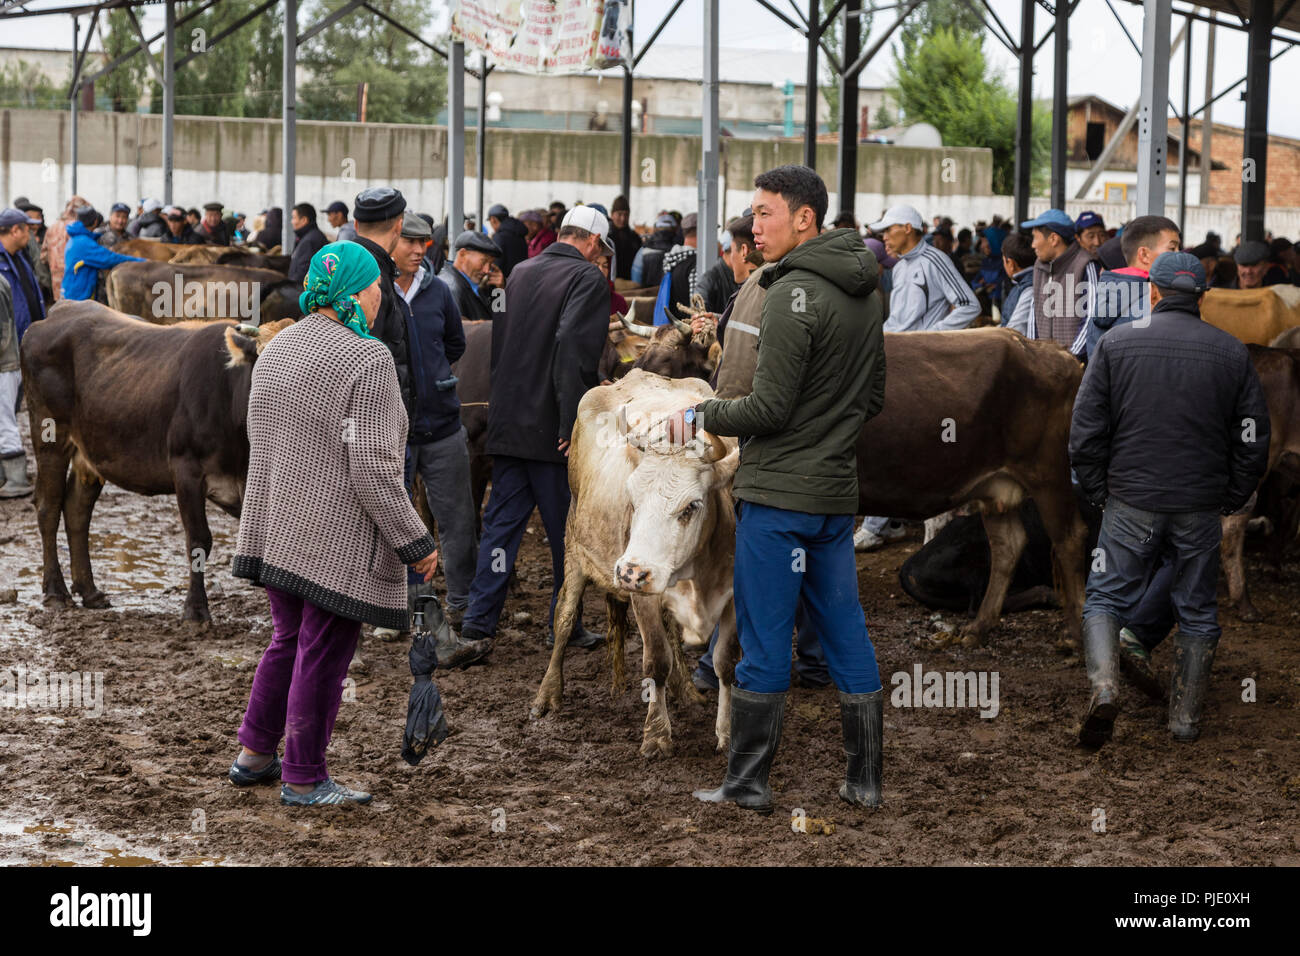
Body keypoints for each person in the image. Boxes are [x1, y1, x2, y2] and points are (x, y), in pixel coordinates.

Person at [667, 164, 885, 813]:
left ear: (804, 218)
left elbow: (768, 410)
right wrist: (829, 434)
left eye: (764, 213)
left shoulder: (791, 291)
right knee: (847, 632)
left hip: (779, 502)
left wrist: (698, 414)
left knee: (764, 639)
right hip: (832, 500)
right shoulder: (867, 293)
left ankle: (747, 781)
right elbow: (872, 398)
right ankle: (864, 780)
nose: (753, 227)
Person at [230, 241, 438, 806]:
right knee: (322, 653)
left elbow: (260, 438)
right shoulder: (365, 359)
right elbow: (372, 466)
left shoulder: (278, 347)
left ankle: (254, 753)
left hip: (276, 529)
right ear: (352, 289)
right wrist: (414, 540)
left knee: (287, 639)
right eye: (374, 285)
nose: (379, 297)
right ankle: (303, 777)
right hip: (335, 542)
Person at [1069, 251, 1269, 749]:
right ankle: (1183, 721)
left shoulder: (1115, 344)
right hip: (1200, 504)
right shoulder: (1231, 352)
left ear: (1152, 292)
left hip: (1131, 499)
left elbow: (1086, 430)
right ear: (1202, 296)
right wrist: (1234, 493)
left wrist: (1098, 490)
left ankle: (1106, 687)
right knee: (1198, 610)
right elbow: (1252, 436)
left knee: (1105, 599)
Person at [458, 206, 614, 653]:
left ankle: (478, 623)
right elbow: (571, 348)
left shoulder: (519, 274)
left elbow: (504, 347)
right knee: (567, 533)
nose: (598, 258)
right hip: (553, 434)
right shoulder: (587, 280)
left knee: (501, 529)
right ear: (590, 242)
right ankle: (563, 625)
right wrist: (572, 421)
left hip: (507, 426)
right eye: (600, 250)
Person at [692, 211, 832, 694]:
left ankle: (722, 666)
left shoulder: (761, 291)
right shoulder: (833, 288)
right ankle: (815, 663)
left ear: (744, 251)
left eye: (732, 248)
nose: (729, 256)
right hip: (825, 464)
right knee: (813, 566)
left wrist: (707, 417)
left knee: (753, 562)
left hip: (768, 452)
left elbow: (738, 383)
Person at [387, 213, 489, 665]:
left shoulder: (439, 293)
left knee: (457, 519)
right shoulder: (375, 293)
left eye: (424, 242)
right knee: (397, 522)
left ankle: (462, 605)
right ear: (392, 242)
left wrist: (433, 384)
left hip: (443, 425)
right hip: (394, 429)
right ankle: (400, 611)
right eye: (409, 241)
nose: (418, 249)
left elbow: (454, 345)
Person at [855, 203, 977, 552]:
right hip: (895, 356)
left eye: (888, 231)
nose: (884, 238)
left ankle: (884, 524)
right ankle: (882, 521)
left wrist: (931, 338)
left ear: (907, 228)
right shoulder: (902, 266)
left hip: (919, 364)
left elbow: (969, 304)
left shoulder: (934, 260)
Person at [351, 187, 416, 421]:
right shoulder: (373, 280)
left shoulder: (341, 270)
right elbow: (367, 367)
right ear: (399, 226)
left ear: (356, 225)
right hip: (376, 424)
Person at [1080, 215, 1180, 359]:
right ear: (1144, 254)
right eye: (1172, 248)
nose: (1179, 255)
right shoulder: (1155, 303)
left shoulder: (1103, 298)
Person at [1021, 208, 1100, 357]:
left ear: (1053, 239)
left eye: (1035, 238)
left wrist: (1070, 358)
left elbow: (1092, 317)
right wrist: (1034, 354)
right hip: (1045, 363)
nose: (1033, 245)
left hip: (1075, 366)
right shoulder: (1039, 266)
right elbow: (1034, 312)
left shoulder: (1085, 265)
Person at [60, 206, 145, 302]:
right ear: (95, 221)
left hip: (74, 292)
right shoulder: (84, 243)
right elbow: (110, 259)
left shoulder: (77, 238)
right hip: (78, 297)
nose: (121, 221)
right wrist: (142, 262)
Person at [438, 230, 500, 322]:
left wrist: (499, 290)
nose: (487, 270)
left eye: (490, 264)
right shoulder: (451, 288)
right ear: (462, 254)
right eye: (483, 262)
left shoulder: (474, 283)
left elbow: (500, 318)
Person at [42, 195, 88, 302]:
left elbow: (43, 256)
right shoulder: (77, 228)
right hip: (74, 277)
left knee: (60, 310)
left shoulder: (52, 227)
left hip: (56, 279)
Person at [999, 231, 1036, 335]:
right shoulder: (1022, 284)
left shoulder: (1029, 288)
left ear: (1011, 264)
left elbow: (1015, 331)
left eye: (1004, 261)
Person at [630, 214, 678, 288]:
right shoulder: (679, 250)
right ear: (675, 229)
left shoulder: (643, 251)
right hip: (671, 298)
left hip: (647, 296)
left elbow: (636, 280)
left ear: (655, 229)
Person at [287, 203, 328, 285]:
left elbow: (303, 273)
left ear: (304, 220)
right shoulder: (308, 237)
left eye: (294, 218)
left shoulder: (309, 241)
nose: (292, 222)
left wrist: (290, 287)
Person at [486, 204, 528, 278]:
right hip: (521, 278)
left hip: (505, 282)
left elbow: (497, 266)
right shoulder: (519, 233)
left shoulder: (499, 237)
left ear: (493, 219)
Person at [607, 194, 642, 280]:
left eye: (626, 215)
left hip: (630, 282)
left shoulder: (635, 237)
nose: (623, 218)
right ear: (612, 215)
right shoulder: (606, 237)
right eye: (619, 214)